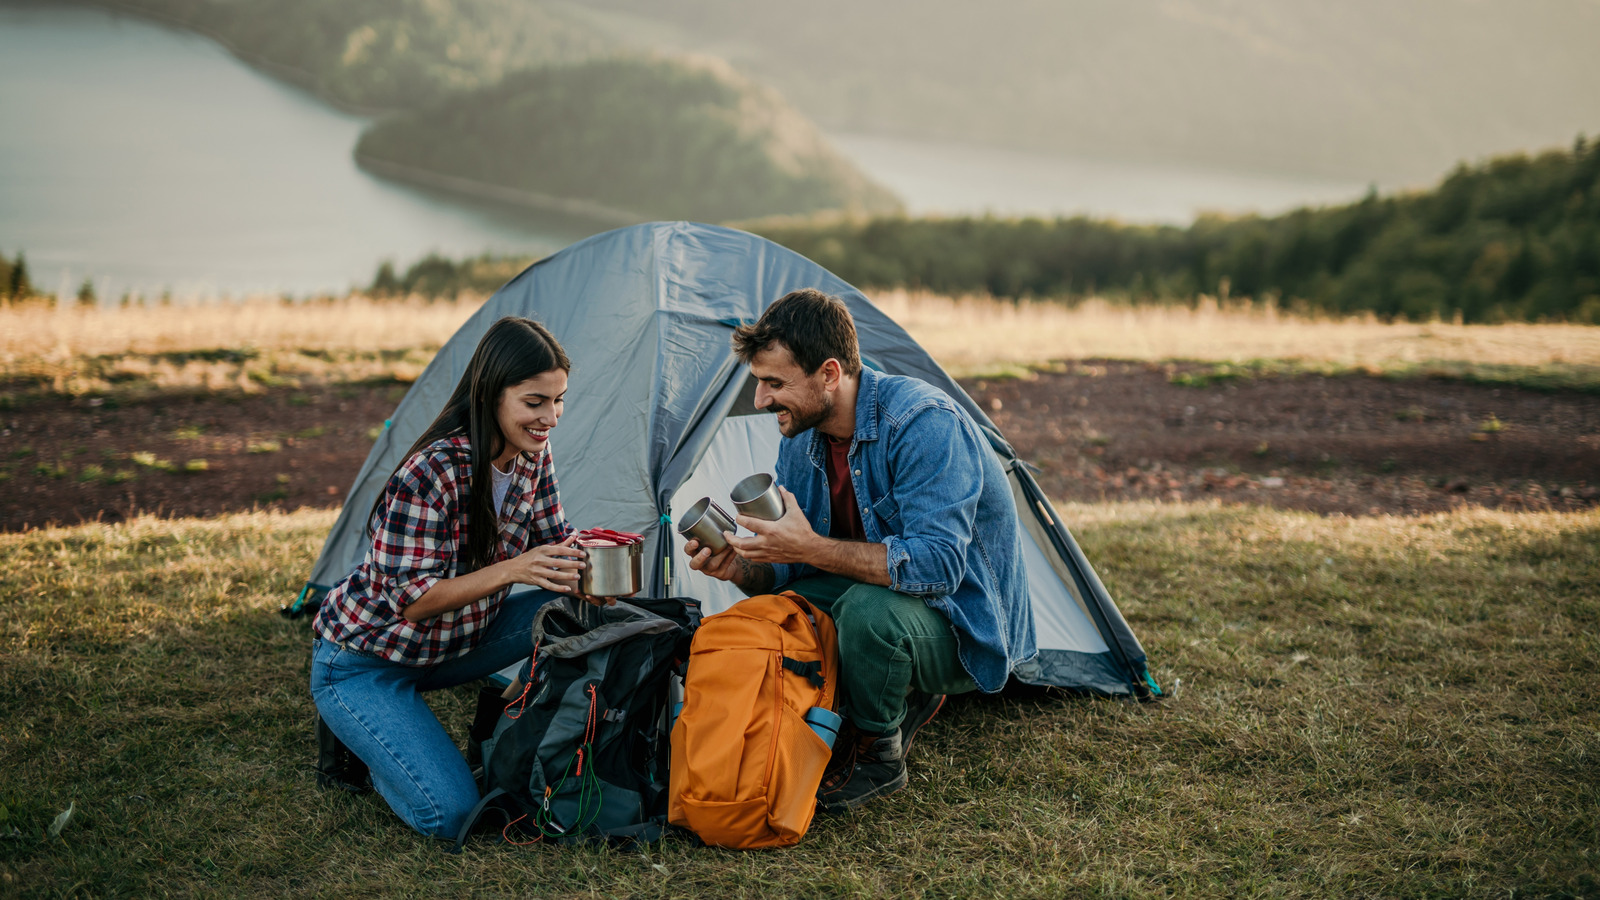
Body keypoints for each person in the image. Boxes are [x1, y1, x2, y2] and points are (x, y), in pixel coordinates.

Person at [684, 289, 1036, 810]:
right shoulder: (802, 434)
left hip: (962, 621)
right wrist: (745, 569)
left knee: (868, 615)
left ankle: (877, 753)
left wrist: (811, 547)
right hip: (878, 593)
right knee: (770, 611)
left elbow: (938, 566)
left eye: (774, 383)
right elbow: (798, 566)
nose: (760, 401)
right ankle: (857, 700)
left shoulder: (923, 423)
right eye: (758, 382)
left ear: (830, 374)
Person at [310, 316, 593, 840]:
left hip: (455, 644)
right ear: (490, 394)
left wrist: (603, 556)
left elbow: (556, 536)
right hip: (366, 660)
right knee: (452, 815)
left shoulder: (532, 453)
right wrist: (513, 567)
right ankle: (365, 737)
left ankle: (529, 732)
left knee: (576, 610)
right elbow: (413, 602)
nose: (550, 418)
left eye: (559, 401)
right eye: (535, 402)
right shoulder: (431, 470)